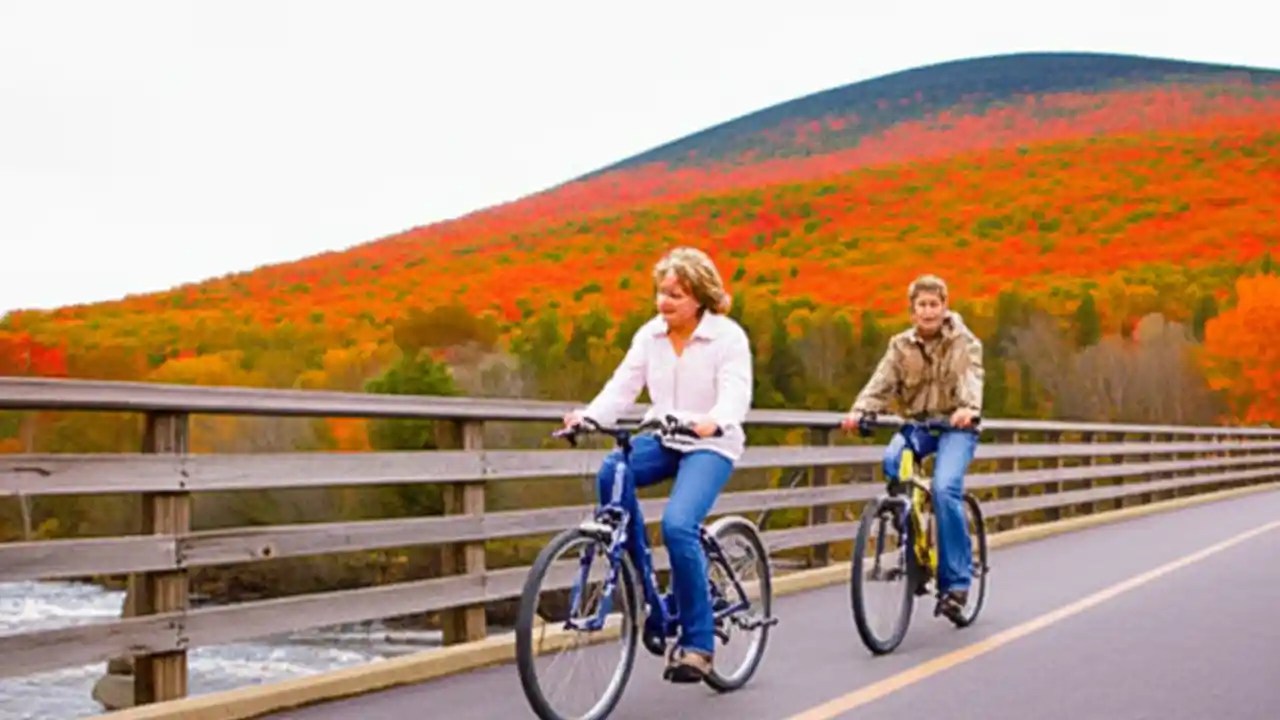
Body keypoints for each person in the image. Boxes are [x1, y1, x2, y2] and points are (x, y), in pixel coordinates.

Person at [563, 246, 753, 683]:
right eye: (661, 293)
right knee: (613, 470)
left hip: (711, 443)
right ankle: (643, 584)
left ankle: (698, 644)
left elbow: (736, 392)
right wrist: (589, 416)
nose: (665, 302)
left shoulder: (727, 337)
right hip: (667, 437)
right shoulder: (650, 336)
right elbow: (622, 386)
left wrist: (716, 421)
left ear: (700, 298)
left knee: (678, 524)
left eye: (676, 295)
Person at [840, 273, 983, 621]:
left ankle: (956, 584)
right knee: (892, 462)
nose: (929, 311)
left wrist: (968, 408)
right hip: (917, 425)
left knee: (944, 488)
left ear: (945, 307)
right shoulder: (900, 346)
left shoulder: (964, 342)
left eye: (935, 304)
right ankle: (913, 549)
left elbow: (970, 375)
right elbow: (881, 382)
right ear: (912, 310)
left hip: (955, 426)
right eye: (922, 305)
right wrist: (860, 410)